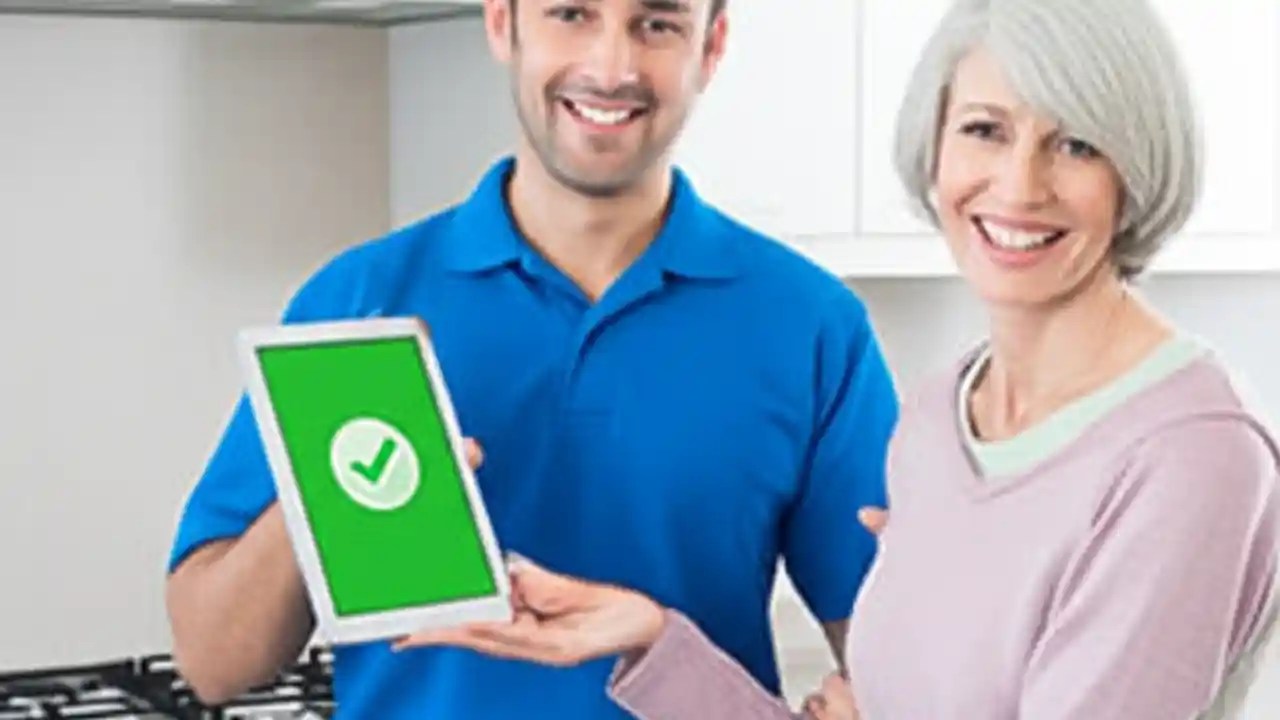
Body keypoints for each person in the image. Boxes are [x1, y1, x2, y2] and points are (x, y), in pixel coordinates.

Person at [395, 0, 1280, 718]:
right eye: (984, 129)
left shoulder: (1191, 452)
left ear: (1139, 165)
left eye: (1077, 143)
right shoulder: (943, 416)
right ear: (934, 148)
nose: (1019, 184)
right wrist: (649, 637)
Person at [163, 0, 900, 717]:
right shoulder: (360, 300)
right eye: (572, 14)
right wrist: (333, 488)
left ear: (711, 47)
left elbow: (898, 660)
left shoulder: (810, 324)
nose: (611, 66)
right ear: (501, 22)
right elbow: (214, 663)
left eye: (657, 23)